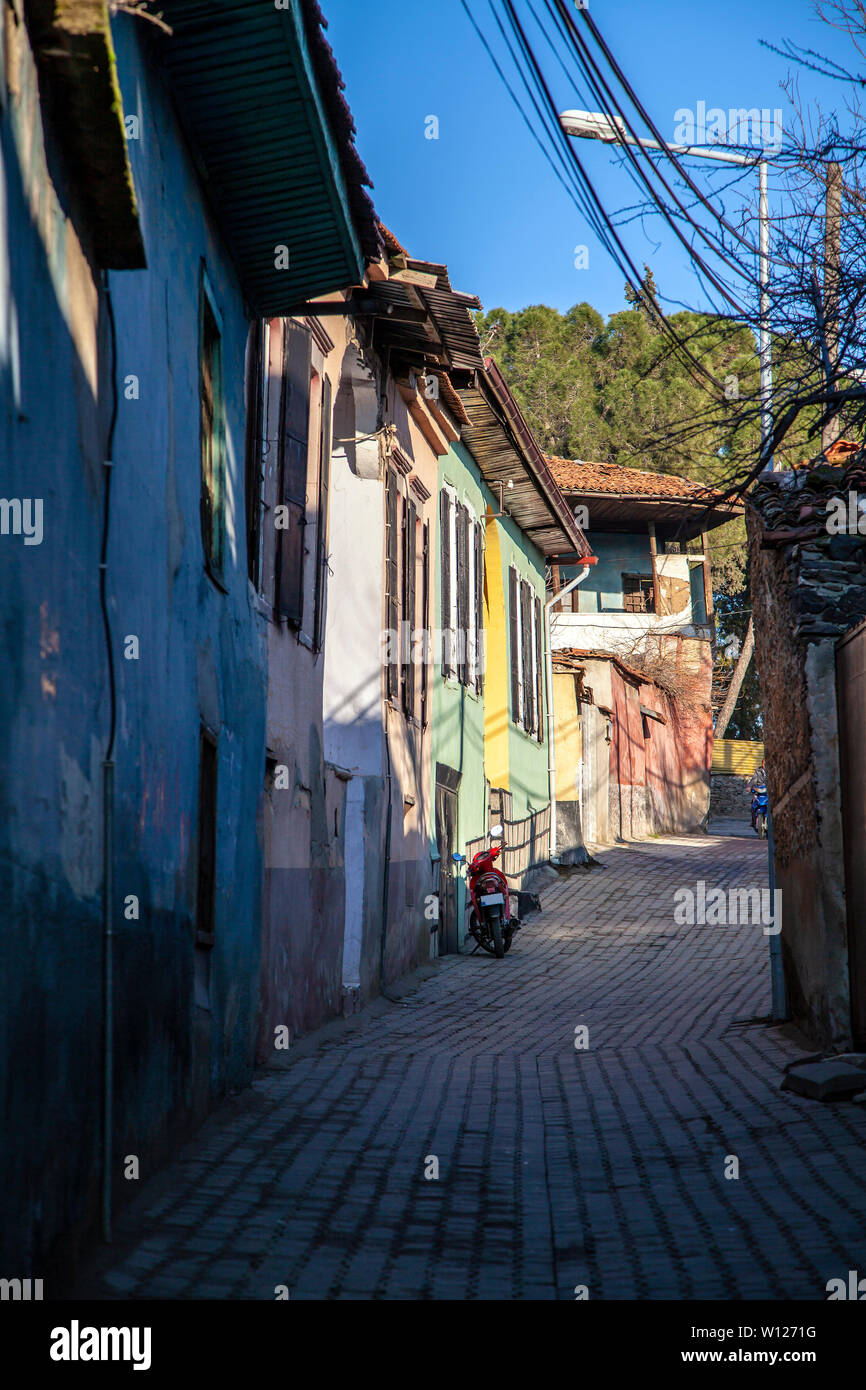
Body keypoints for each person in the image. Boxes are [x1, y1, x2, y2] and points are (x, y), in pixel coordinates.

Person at [748, 759, 767, 829]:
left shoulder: (772, 771)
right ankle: (753, 820)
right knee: (753, 803)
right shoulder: (758, 771)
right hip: (759, 791)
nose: (764, 765)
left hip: (767, 792)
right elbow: (753, 780)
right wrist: (749, 786)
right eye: (764, 763)